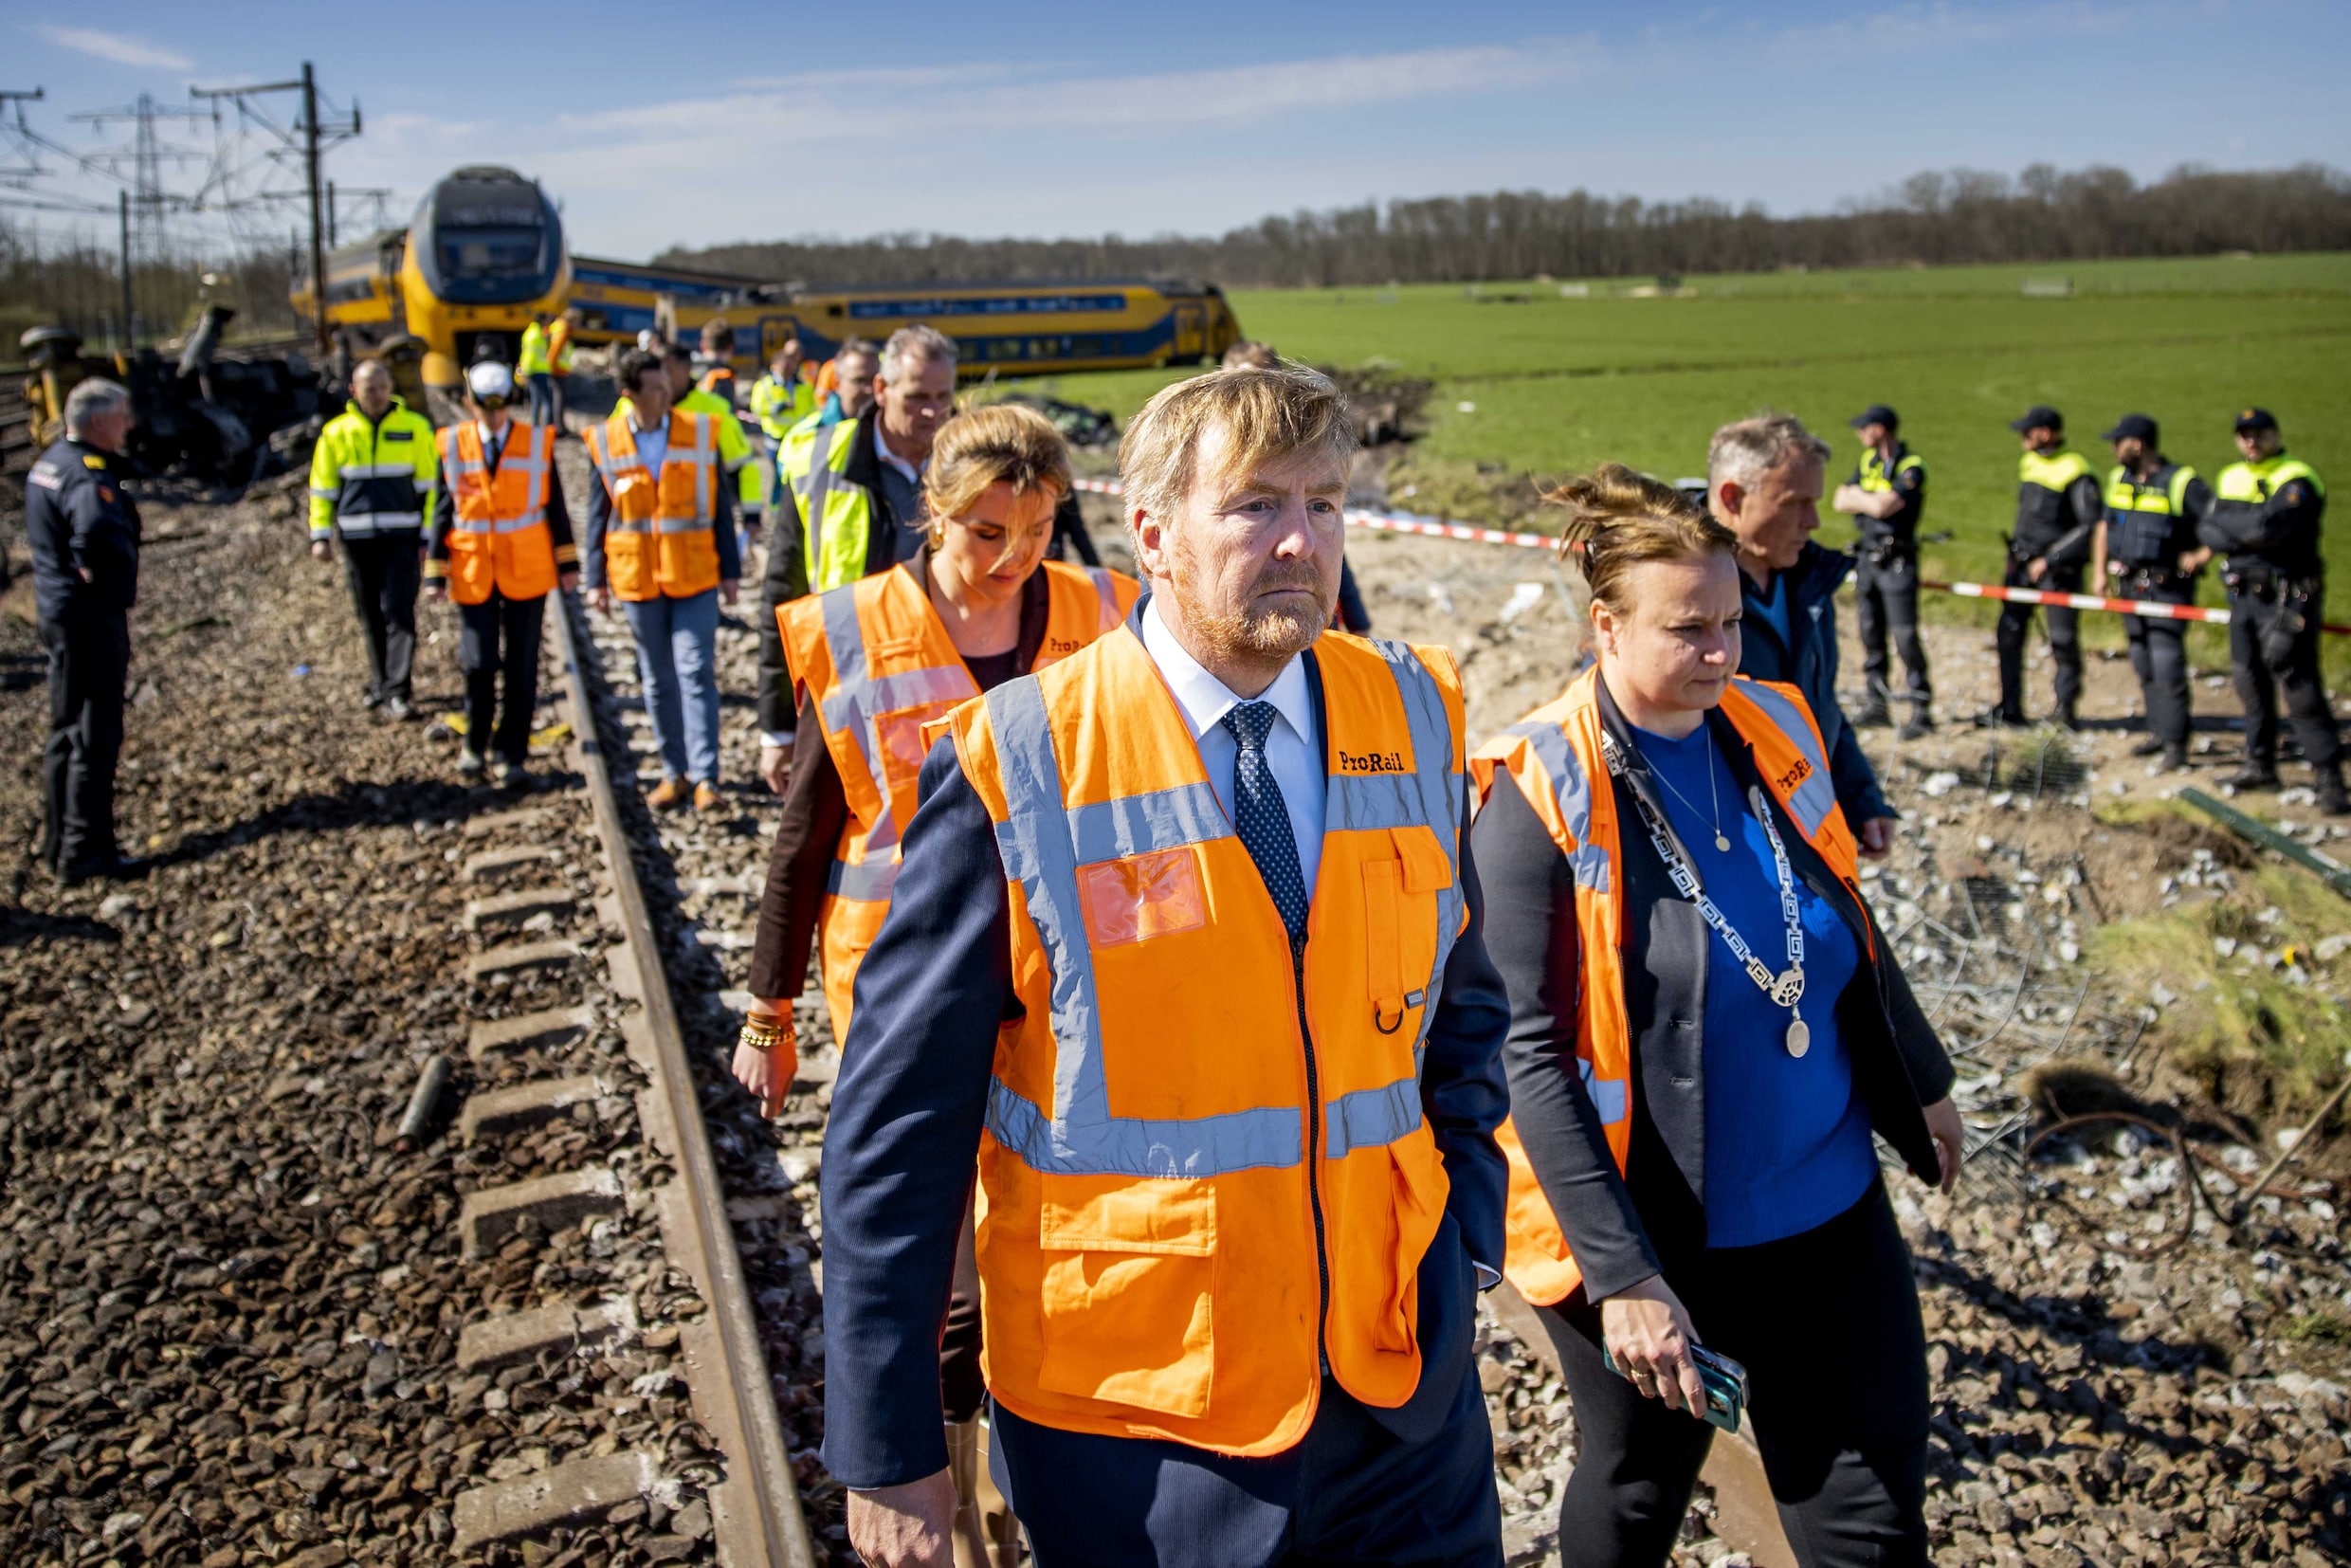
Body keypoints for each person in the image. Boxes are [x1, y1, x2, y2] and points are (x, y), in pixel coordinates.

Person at [819, 362, 1511, 1568]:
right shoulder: (1018, 761)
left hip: (1400, 1384)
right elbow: (897, 1126)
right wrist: (889, 1442)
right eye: (1254, 506)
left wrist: (1468, 1240)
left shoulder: (1408, 709)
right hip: (1141, 1426)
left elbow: (1462, 1009)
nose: (1302, 541)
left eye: (1326, 503)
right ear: (1151, 535)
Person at [1473, 465, 1963, 1568]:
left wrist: (1918, 1074)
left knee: (1872, 1503)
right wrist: (1623, 1279)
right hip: (1652, 1232)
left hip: (1828, 1207)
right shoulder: (1533, 790)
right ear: (1605, 624)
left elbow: (1837, 912)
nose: (1719, 652)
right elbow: (1531, 1056)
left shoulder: (1769, 721)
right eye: (1686, 629)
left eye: (1731, 620)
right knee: (1640, 1480)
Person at [731, 404, 1139, 1567]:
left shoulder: (1105, 615)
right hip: (907, 1011)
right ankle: (960, 1510)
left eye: (1037, 528)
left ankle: (1029, 1483)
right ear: (931, 513)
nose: (1011, 556)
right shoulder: (859, 633)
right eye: (983, 530)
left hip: (1074, 1001)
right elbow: (805, 838)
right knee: (948, 1278)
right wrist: (767, 1012)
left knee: (1063, 1253)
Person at [756, 325, 958, 793]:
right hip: (844, 692)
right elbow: (782, 597)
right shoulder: (817, 460)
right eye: (916, 397)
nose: (932, 412)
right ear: (881, 389)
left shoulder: (975, 462)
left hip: (951, 690)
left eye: (943, 396)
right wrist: (777, 727)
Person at [1706, 413, 1897, 859]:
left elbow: (1817, 705)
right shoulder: (1673, 595)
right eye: (1794, 503)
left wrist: (1860, 796)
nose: (1812, 521)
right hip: (1732, 848)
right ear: (1732, 497)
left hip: (1806, 832)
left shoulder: (1809, 580)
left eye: (1816, 502)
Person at [583, 348, 740, 812]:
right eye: (653, 389)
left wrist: (730, 571)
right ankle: (675, 773)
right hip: (638, 579)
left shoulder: (698, 432)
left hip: (694, 574)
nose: (665, 394)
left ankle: (707, 777)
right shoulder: (605, 440)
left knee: (695, 672)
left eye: (665, 386)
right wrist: (594, 579)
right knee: (656, 680)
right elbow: (598, 516)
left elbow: (719, 508)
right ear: (629, 394)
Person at [425, 360, 578, 785]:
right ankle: (475, 742)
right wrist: (435, 571)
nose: (493, 414)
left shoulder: (535, 442)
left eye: (501, 405)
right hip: (473, 570)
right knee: (478, 663)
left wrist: (567, 562)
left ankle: (513, 752)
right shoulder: (451, 444)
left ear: (511, 402)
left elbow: (555, 507)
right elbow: (442, 509)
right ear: (470, 403)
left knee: (522, 665)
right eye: (485, 406)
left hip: (526, 569)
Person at [27, 377, 146, 885]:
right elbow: (96, 529)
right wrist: (99, 573)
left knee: (65, 728)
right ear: (98, 421)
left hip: (58, 612)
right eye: (122, 417)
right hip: (88, 618)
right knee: (94, 734)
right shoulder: (85, 472)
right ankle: (85, 850)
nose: (128, 426)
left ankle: (58, 842)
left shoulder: (50, 461)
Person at [2197, 408, 2345, 813]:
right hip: (2242, 597)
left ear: (2275, 435)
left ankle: (2329, 779)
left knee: (2298, 685)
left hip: (2286, 597)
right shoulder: (2231, 476)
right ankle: (2260, 764)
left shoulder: (2296, 477)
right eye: (2244, 435)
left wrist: (2237, 529)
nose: (2251, 442)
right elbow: (2207, 529)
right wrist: (2247, 530)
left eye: (2259, 434)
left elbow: (2271, 531)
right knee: (2249, 682)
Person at [307, 358, 439, 720]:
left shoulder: (415, 428)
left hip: (402, 537)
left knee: (398, 610)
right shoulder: (337, 432)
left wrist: (429, 537)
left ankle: (399, 690)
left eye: (382, 388)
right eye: (370, 389)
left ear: (390, 389)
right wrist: (319, 535)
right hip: (357, 538)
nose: (377, 395)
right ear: (354, 391)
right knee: (369, 614)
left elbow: (431, 490)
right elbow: (322, 488)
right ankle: (380, 682)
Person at [2099, 414, 2212, 773]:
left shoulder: (2181, 482)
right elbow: (2104, 525)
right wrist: (2100, 571)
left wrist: (2201, 555)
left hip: (2167, 590)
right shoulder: (2120, 478)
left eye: (2119, 442)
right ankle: (2158, 731)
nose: (2114, 449)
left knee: (2167, 666)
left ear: (2138, 444)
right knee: (2142, 662)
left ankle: (2177, 744)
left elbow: (2220, 524)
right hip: (2129, 587)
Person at [1982, 406, 2101, 729]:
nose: (2022, 438)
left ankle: (2065, 711)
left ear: (2046, 433)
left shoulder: (2076, 470)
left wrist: (2049, 560)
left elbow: (2088, 526)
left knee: (2062, 640)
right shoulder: (2030, 463)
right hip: (2021, 567)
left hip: (2057, 571)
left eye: (2027, 432)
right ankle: (2009, 708)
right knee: (2008, 634)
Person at [1830, 405, 1931, 738]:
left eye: (1864, 427)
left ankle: (1921, 708)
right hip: (1868, 560)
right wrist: (1869, 500)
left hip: (1897, 561)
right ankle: (1877, 702)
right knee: (1869, 631)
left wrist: (1865, 499)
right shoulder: (1867, 462)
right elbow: (1840, 499)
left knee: (1904, 637)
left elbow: (1884, 506)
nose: (1859, 433)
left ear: (1881, 429)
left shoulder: (1910, 466)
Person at [750, 337, 816, 442]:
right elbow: (756, 409)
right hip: (775, 435)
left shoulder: (804, 385)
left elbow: (813, 410)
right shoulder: (764, 385)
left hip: (798, 436)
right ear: (775, 366)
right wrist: (778, 407)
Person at [518, 311, 558, 428]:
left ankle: (534, 426)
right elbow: (535, 354)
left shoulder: (529, 332)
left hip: (531, 369)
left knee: (535, 400)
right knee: (546, 401)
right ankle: (547, 427)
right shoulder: (537, 335)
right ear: (542, 320)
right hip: (538, 370)